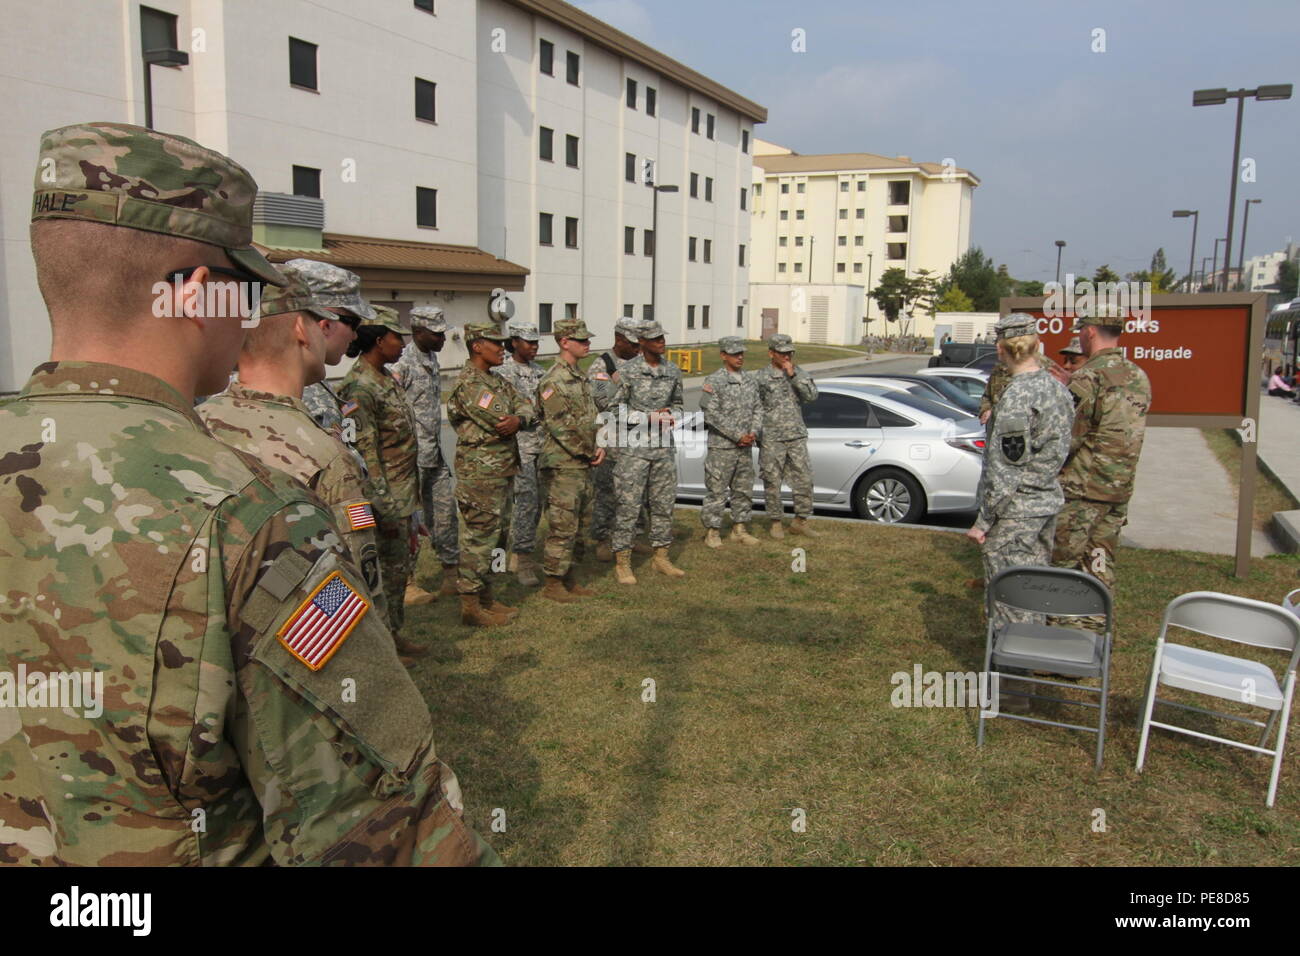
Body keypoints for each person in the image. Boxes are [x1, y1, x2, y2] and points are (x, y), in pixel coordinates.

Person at [1, 121, 495, 866]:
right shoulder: (251, 519)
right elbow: (381, 829)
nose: (250, 317)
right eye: (247, 287)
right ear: (197, 293)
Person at [198, 271, 408, 652]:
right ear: (302, 327)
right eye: (338, 324)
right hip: (296, 650)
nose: (347, 335)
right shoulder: (322, 453)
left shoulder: (198, 423)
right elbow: (353, 581)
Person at [966, 314, 1074, 631]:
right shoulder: (1057, 389)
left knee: (1009, 601)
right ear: (1037, 346)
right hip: (1044, 503)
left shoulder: (1016, 397)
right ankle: (1028, 659)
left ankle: (1007, 674)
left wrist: (984, 521)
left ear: (1000, 350)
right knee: (1033, 592)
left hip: (1016, 512)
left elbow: (1007, 468)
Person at [1051, 305, 1153, 626]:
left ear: (1090, 332)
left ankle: (1059, 641)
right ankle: (1095, 632)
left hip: (1083, 492)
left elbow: (1069, 439)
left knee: (1063, 564)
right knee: (1099, 560)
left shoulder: (1088, 377)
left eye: (1081, 331)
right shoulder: (1138, 376)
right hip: (1117, 491)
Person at [340, 306, 433, 631]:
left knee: (397, 571)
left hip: (401, 493)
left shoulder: (385, 379)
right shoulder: (361, 387)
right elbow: (366, 456)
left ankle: (396, 634)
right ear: (380, 340)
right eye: (398, 338)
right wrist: (385, 507)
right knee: (380, 573)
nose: (404, 345)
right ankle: (386, 640)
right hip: (383, 500)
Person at [446, 321, 538, 626]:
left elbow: (528, 407)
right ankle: (470, 604)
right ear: (476, 346)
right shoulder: (470, 384)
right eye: (495, 343)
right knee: (478, 540)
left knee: (498, 538)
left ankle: (487, 596)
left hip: (502, 471)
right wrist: (516, 417)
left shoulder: (497, 381)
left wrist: (519, 418)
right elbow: (500, 417)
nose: (503, 348)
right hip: (480, 476)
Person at [392, 306, 460, 598]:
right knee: (408, 521)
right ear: (418, 332)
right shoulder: (401, 363)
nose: (442, 339)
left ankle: (451, 574)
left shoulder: (431, 358)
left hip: (434, 454)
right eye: (436, 334)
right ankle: (407, 582)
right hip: (410, 456)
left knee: (445, 513)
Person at [611, 320, 687, 583]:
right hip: (634, 450)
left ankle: (661, 558)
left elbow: (679, 405)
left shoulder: (673, 371)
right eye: (655, 339)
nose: (661, 342)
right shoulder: (628, 371)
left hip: (663, 448)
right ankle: (622, 561)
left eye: (662, 338)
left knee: (664, 504)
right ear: (641, 343)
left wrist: (672, 415)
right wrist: (647, 418)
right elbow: (614, 410)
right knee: (628, 506)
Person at [536, 319, 606, 602]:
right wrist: (587, 450)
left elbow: (592, 416)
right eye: (581, 340)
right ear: (565, 342)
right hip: (562, 464)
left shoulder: (581, 377)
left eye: (587, 339)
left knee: (579, 525)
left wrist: (599, 443)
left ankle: (569, 576)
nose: (587, 344)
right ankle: (553, 582)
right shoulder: (553, 380)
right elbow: (559, 425)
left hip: (582, 463)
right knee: (562, 525)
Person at [492, 320, 547, 587]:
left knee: (536, 504)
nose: (535, 346)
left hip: (541, 447)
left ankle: (519, 553)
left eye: (537, 341)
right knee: (522, 504)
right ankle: (519, 560)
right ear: (514, 342)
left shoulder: (540, 372)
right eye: (529, 342)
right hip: (516, 449)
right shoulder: (502, 372)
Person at [294, 260, 373, 442]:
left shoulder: (316, 383)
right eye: (353, 324)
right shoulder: (293, 394)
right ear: (326, 325)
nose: (354, 336)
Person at [588, 316, 647, 560]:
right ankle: (602, 539)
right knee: (607, 493)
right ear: (618, 339)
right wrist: (643, 412)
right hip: (611, 440)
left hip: (637, 441)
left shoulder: (642, 363)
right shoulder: (601, 367)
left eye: (639, 344)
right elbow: (606, 404)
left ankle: (632, 536)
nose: (637, 348)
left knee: (636, 492)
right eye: (633, 343)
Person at [699, 336, 762, 547]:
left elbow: (758, 408)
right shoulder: (713, 381)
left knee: (743, 489)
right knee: (717, 491)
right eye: (735, 353)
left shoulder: (750, 380)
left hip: (744, 447)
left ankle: (739, 529)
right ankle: (713, 532)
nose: (740, 357)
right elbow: (710, 413)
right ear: (723, 355)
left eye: (742, 353)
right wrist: (737, 435)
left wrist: (753, 432)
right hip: (722, 447)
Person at [755, 333, 819, 538]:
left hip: (796, 435)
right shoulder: (760, 377)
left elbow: (811, 396)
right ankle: (775, 522)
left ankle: (800, 520)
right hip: (772, 437)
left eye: (789, 352)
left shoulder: (799, 373)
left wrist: (793, 376)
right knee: (772, 481)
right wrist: (757, 434)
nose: (786, 356)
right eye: (782, 353)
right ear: (771, 353)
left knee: (804, 479)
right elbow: (754, 408)